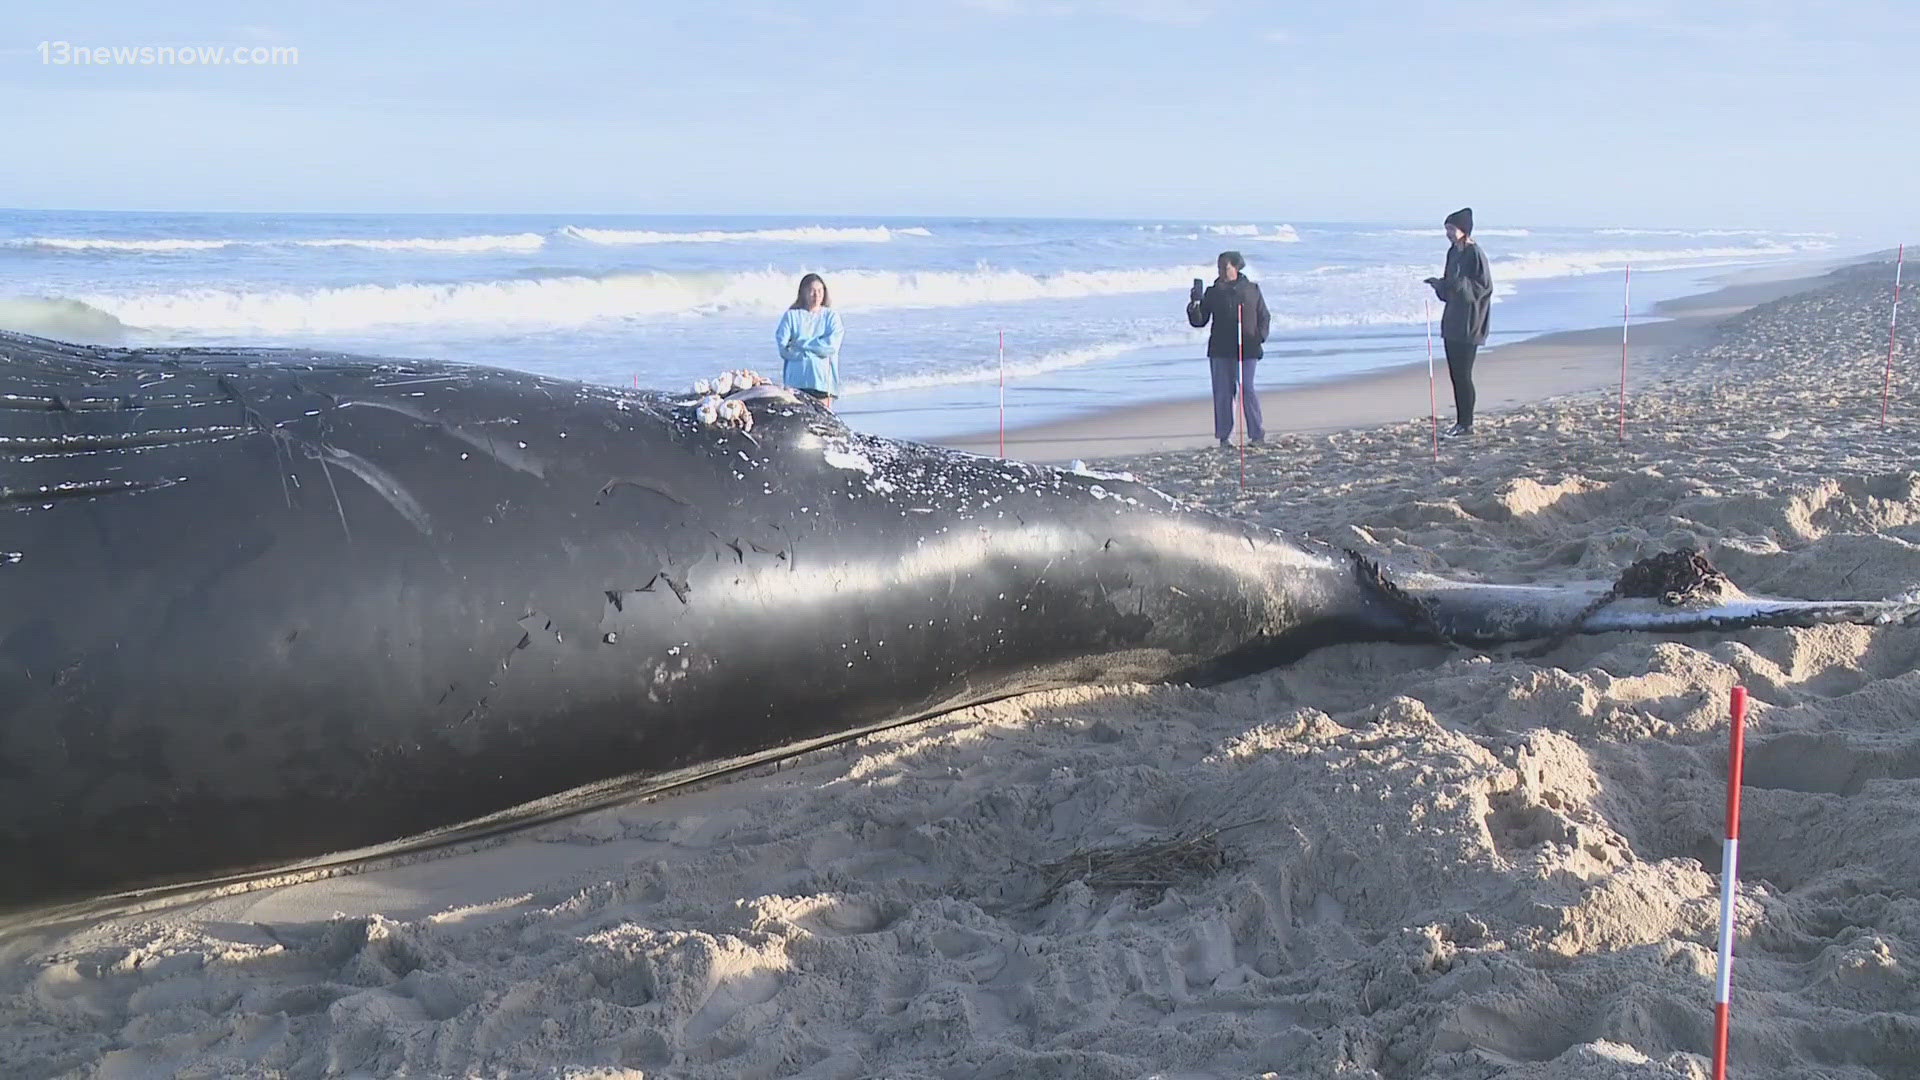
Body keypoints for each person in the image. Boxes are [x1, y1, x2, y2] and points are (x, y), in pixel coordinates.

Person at [1186, 250, 1271, 447]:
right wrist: (1194, 304)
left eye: (1225, 267)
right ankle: (1225, 436)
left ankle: (1257, 434)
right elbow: (1200, 321)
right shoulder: (1213, 292)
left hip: (1247, 347)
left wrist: (1260, 336)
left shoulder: (1252, 289)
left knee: (1247, 389)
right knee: (1224, 392)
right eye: (1219, 268)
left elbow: (1264, 316)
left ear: (1236, 267)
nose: (1222, 271)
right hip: (1220, 349)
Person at [1423, 208, 1493, 437]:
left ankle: (1467, 424)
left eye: (1452, 229)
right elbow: (1449, 288)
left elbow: (1483, 288)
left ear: (1464, 230)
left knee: (1463, 374)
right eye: (1447, 230)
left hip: (1471, 322)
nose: (1449, 234)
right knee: (1455, 373)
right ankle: (1461, 422)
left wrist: (1458, 284)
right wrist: (1439, 285)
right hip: (1452, 320)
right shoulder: (1453, 252)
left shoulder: (1475, 253)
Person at [775, 273, 843, 409]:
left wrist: (801, 344)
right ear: (803, 293)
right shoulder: (791, 316)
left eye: (820, 291)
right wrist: (805, 354)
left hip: (823, 382)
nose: (816, 295)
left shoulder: (831, 317)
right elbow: (784, 347)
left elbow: (831, 346)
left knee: (823, 425)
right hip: (796, 382)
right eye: (812, 291)